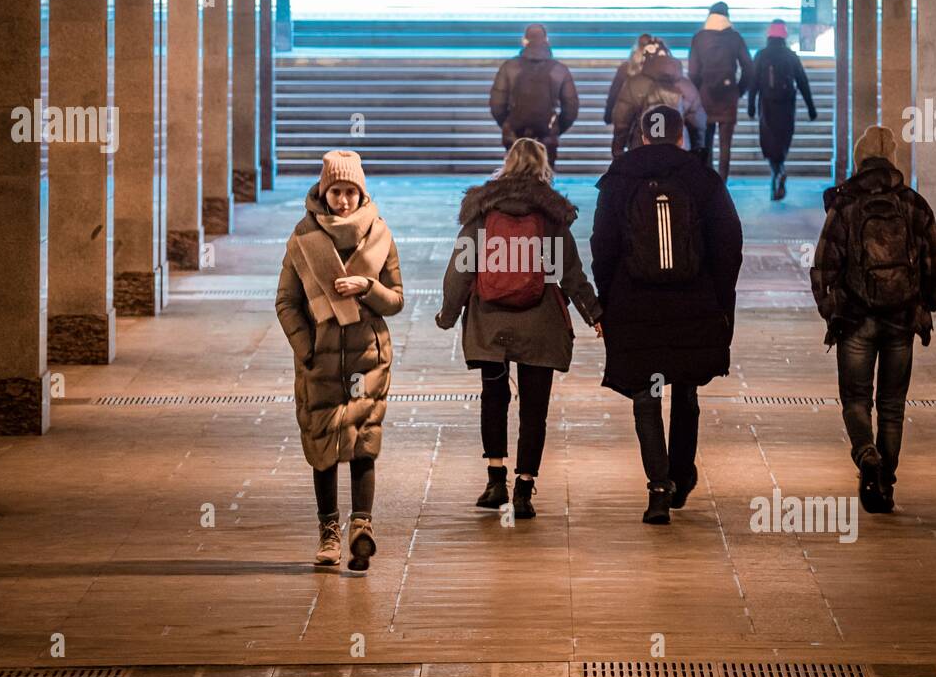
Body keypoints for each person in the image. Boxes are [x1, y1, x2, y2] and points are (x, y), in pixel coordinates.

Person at [591, 104, 744, 524]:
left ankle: (658, 489)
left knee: (647, 395)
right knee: (686, 390)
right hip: (692, 303)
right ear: (681, 137)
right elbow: (729, 244)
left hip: (635, 304)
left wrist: (607, 299)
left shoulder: (619, 179)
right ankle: (680, 473)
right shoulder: (703, 179)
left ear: (642, 136)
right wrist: (719, 300)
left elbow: (602, 246)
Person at [436, 138, 602, 519]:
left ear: (507, 164)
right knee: (534, 407)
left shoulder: (482, 211)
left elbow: (461, 269)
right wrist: (594, 314)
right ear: (543, 168)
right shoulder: (550, 216)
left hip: (490, 323)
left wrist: (448, 313)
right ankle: (524, 489)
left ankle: (496, 481)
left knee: (494, 397)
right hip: (539, 322)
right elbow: (570, 273)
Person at [809, 126, 936, 514]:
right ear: (894, 159)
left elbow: (823, 266)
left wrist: (833, 309)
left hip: (855, 319)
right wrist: (921, 308)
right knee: (892, 405)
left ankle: (865, 454)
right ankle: (884, 483)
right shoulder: (913, 204)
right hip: (901, 320)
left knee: (856, 399)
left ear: (859, 160)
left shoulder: (845, 204)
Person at [275, 150, 404, 571]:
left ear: (361, 193)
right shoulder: (303, 239)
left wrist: (367, 286)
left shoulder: (380, 235)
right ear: (323, 192)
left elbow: (396, 300)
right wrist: (307, 349)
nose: (344, 200)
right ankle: (328, 531)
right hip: (320, 362)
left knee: (364, 442)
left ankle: (362, 528)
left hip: (368, 359)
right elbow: (286, 302)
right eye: (336, 192)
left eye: (350, 192)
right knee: (323, 446)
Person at [489, 24, 580, 167]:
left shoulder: (509, 67)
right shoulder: (559, 69)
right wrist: (555, 129)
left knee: (514, 175)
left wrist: (509, 124)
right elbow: (571, 107)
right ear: (546, 40)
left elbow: (497, 104)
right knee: (544, 175)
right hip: (547, 136)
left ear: (524, 41)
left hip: (514, 136)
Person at [747, 19, 818, 201]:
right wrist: (811, 107)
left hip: (767, 105)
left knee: (770, 142)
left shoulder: (761, 55)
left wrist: (751, 105)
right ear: (784, 36)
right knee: (782, 141)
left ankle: (778, 172)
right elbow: (802, 81)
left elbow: (753, 83)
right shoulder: (790, 55)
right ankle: (778, 173)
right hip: (787, 106)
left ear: (769, 35)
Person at [609, 39, 707, 160]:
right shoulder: (686, 86)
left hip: (642, 150)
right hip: (679, 151)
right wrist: (698, 154)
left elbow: (622, 122)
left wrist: (617, 151)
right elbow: (698, 125)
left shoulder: (634, 84)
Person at [688, 1, 753, 179]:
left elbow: (693, 72)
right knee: (725, 145)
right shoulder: (735, 37)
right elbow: (749, 67)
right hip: (728, 96)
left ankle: (708, 180)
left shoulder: (699, 38)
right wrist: (739, 90)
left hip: (705, 97)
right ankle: (722, 182)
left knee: (705, 142)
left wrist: (697, 92)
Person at [603, 32, 654, 126]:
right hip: (653, 121)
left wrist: (608, 115)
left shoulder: (625, 68)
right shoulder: (659, 69)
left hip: (628, 119)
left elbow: (614, 93)